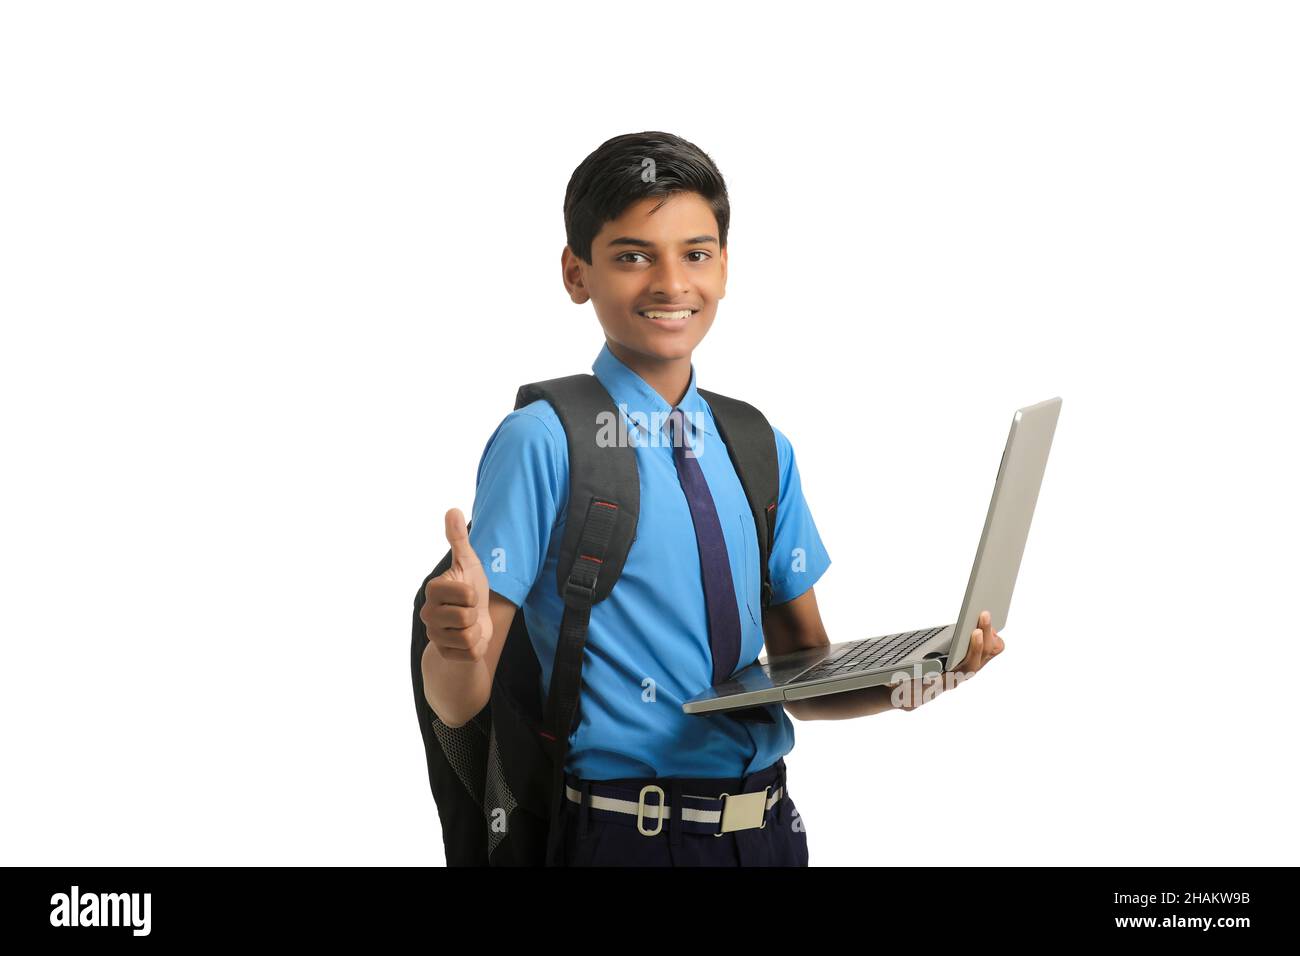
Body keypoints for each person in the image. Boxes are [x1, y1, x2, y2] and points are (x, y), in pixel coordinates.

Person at [419, 131, 1004, 866]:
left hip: (769, 829)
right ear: (577, 273)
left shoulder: (758, 444)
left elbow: (802, 678)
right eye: (633, 255)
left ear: (724, 267)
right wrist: (456, 649)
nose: (670, 283)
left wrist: (919, 674)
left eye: (695, 254)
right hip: (623, 837)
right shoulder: (544, 441)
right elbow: (459, 701)